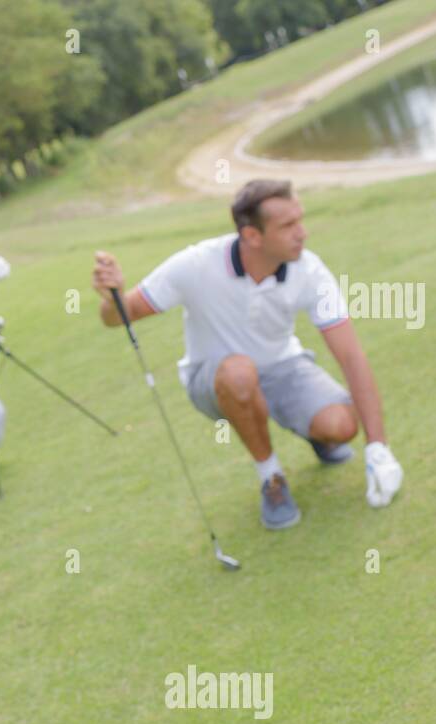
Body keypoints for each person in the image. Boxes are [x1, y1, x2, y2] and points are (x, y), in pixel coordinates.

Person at [91, 179, 403, 528]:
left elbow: (351, 356)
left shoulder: (309, 270)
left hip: (283, 367)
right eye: (288, 226)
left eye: (300, 220)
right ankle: (271, 478)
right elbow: (119, 316)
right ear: (253, 236)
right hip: (214, 380)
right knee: (240, 373)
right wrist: (111, 297)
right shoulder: (196, 264)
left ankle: (318, 436)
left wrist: (379, 448)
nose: (303, 233)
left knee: (341, 425)